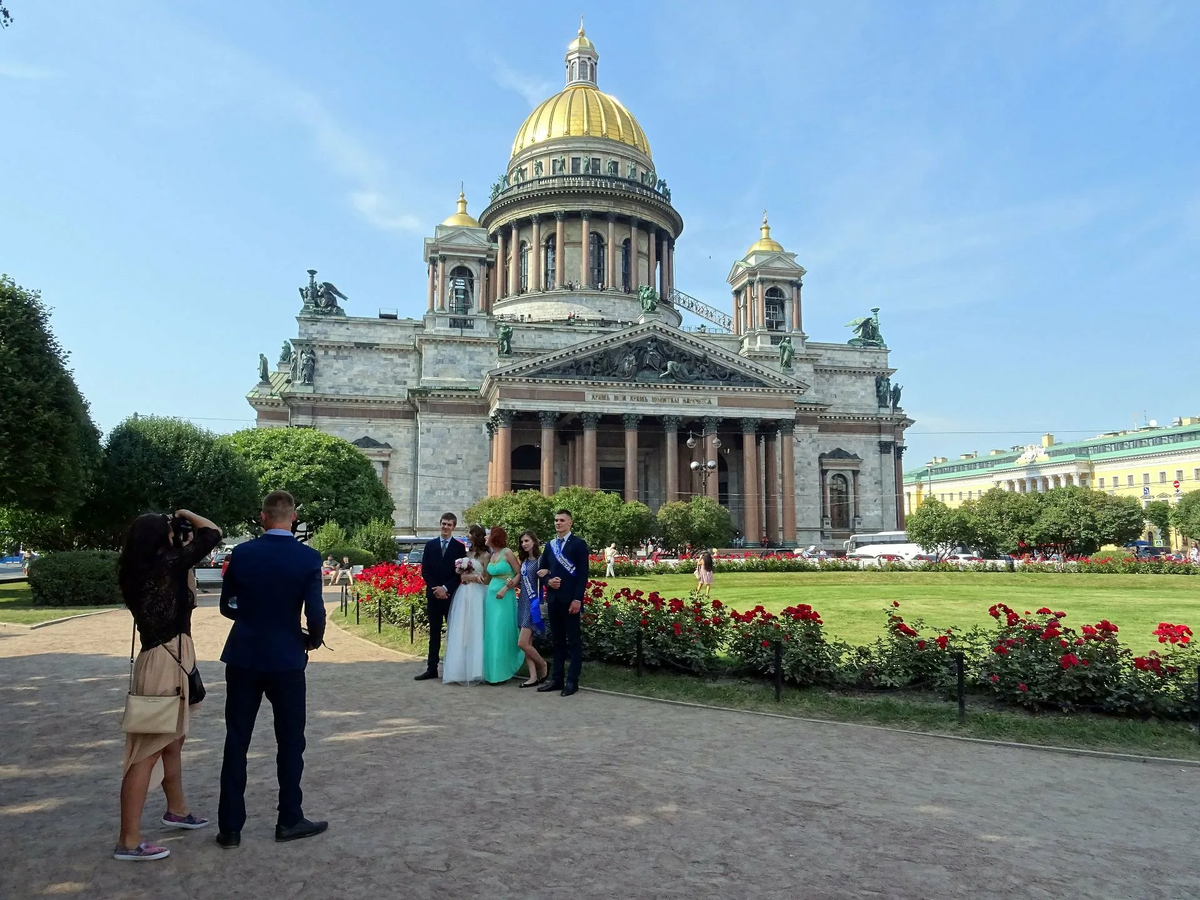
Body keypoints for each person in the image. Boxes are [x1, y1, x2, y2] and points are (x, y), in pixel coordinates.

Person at [216, 490, 327, 849]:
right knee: (291, 741)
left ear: (262, 518)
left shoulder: (242, 554)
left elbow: (227, 606)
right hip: (286, 657)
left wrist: (251, 619)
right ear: (293, 518)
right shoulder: (307, 558)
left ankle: (230, 827)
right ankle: (289, 818)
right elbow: (316, 613)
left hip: (245, 653)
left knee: (237, 740)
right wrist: (310, 639)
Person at [114, 508, 222, 861]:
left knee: (172, 742)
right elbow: (213, 534)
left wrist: (176, 537)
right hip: (165, 662)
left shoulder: (150, 568)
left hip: (167, 658)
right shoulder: (165, 566)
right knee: (144, 753)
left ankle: (176, 808)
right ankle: (129, 841)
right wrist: (183, 514)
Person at [536, 509, 590, 697]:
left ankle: (572, 681)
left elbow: (583, 575)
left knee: (573, 642)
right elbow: (542, 570)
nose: (558, 523)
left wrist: (577, 599)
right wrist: (548, 581)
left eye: (562, 520)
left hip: (570, 601)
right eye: (556, 520)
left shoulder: (578, 544)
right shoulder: (550, 546)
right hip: (553, 599)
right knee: (557, 641)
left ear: (570, 523)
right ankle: (557, 679)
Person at [416, 513, 467, 680]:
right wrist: (435, 588)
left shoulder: (459, 548)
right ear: (440, 524)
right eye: (444, 524)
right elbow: (425, 570)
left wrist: (445, 588)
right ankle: (432, 668)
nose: (446, 527)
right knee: (434, 633)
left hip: (450, 596)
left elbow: (459, 573)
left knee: (453, 633)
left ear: (454, 527)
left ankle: (453, 668)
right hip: (433, 594)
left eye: (449, 525)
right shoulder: (430, 545)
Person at [442, 524, 489, 685]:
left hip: (477, 593)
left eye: (470, 533)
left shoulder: (485, 555)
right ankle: (459, 669)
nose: (468, 536)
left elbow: (486, 578)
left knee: (476, 627)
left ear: (476, 536)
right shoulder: (467, 553)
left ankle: (477, 669)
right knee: (461, 628)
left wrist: (470, 578)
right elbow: (459, 572)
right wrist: (461, 571)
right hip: (464, 593)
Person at [482, 526, 524, 684]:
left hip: (504, 597)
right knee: (492, 632)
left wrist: (506, 588)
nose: (486, 537)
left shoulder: (507, 552)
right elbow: (487, 577)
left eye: (488, 535)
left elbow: (519, 573)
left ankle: (503, 671)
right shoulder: (492, 554)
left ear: (495, 537)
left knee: (501, 631)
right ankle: (492, 672)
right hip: (491, 597)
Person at [509, 531, 548, 688]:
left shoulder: (541, 560)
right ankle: (532, 677)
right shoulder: (524, 561)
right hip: (523, 602)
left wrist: (546, 572)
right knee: (528, 643)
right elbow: (523, 582)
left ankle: (543, 665)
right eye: (522, 542)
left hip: (534, 604)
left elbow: (546, 578)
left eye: (526, 541)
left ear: (534, 541)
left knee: (522, 643)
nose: (524, 544)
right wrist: (512, 583)